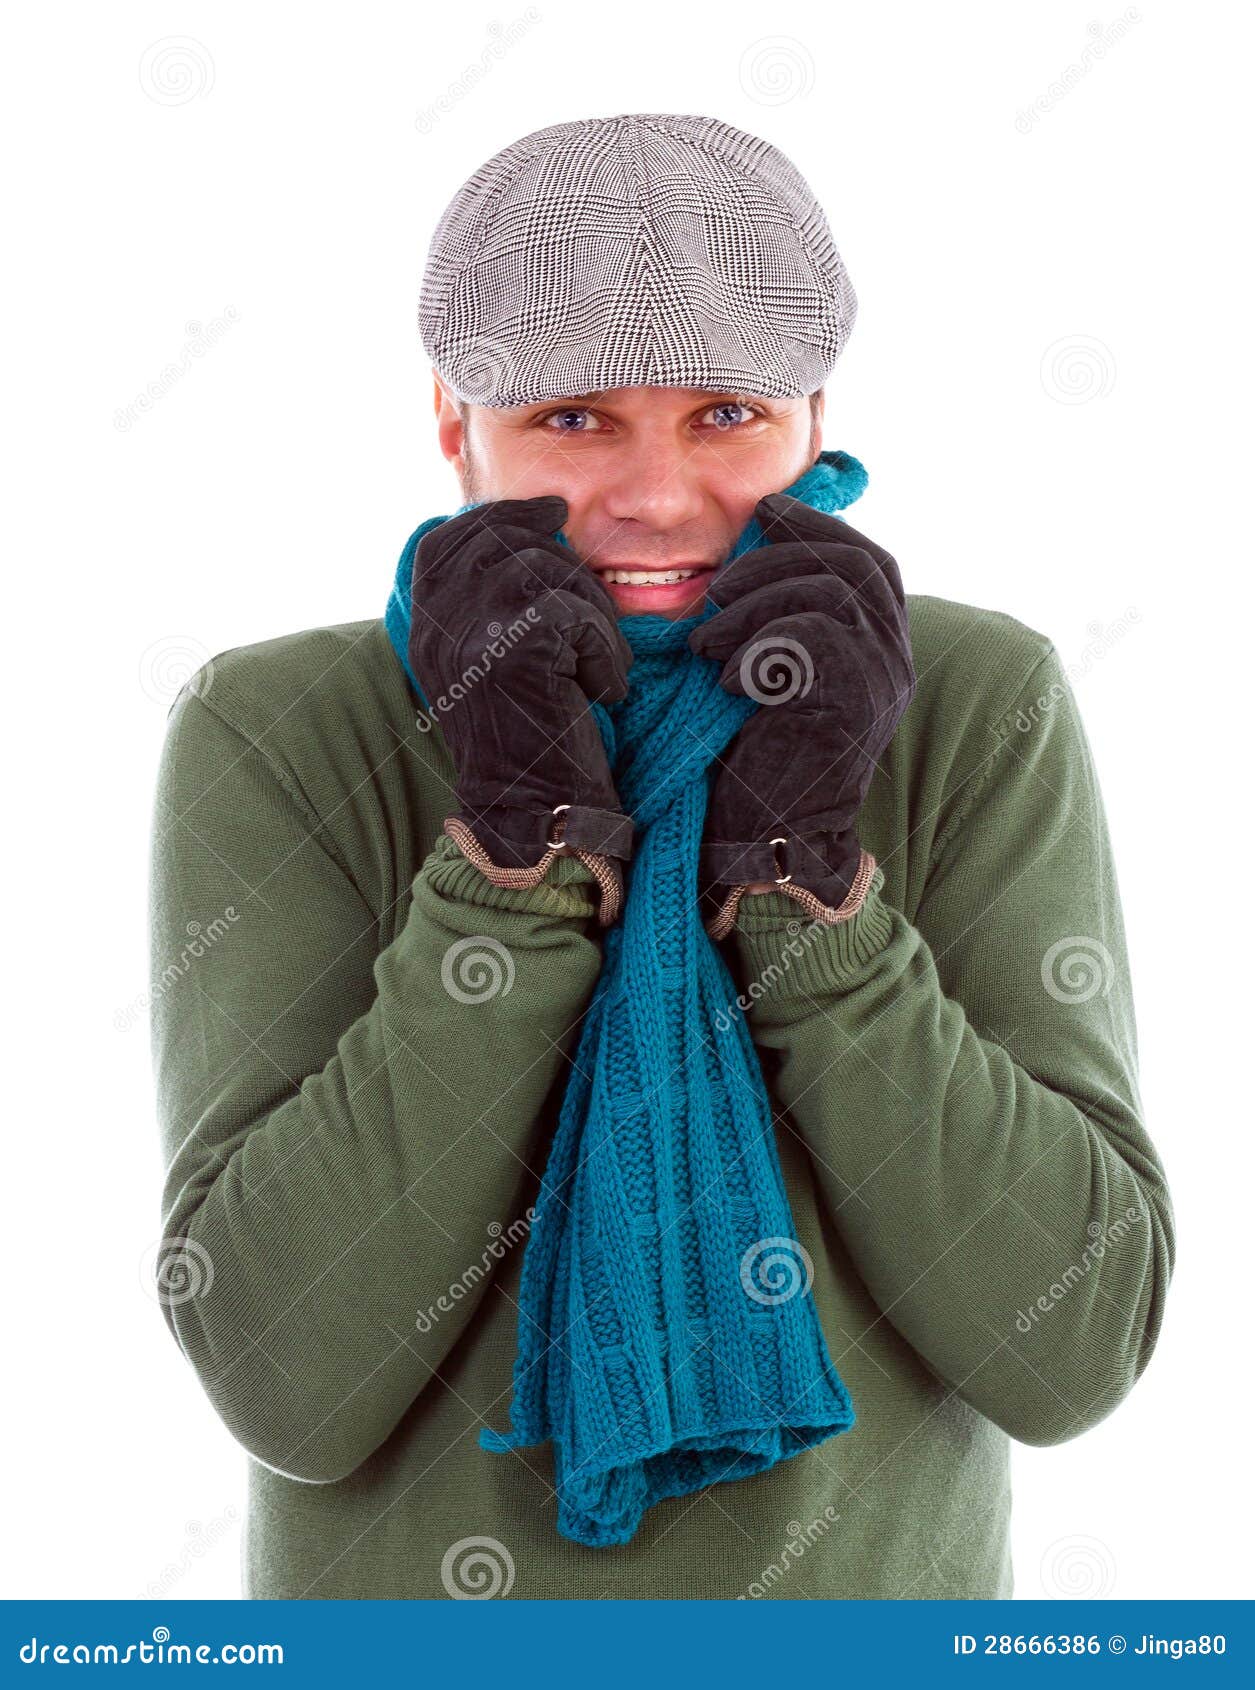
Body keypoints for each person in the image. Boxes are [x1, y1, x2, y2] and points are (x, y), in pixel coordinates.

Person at [149, 112, 1174, 1599]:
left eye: (724, 416)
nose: (654, 495)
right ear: (454, 416)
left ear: (815, 411)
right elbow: (288, 1377)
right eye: (574, 419)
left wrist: (811, 897)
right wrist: (514, 863)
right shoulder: (282, 727)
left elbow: (1068, 1349)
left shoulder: (968, 700)